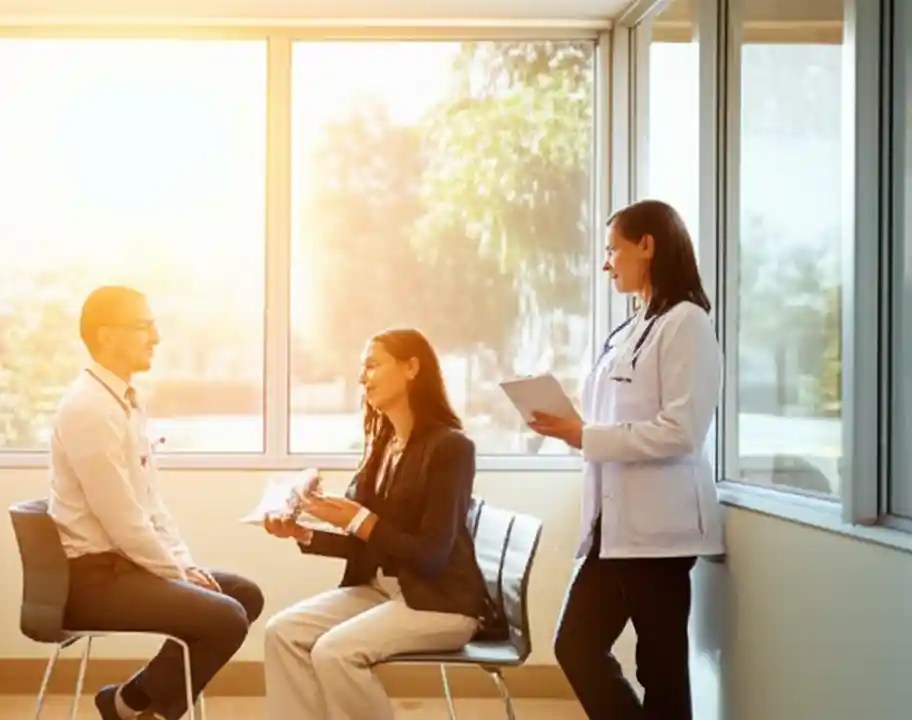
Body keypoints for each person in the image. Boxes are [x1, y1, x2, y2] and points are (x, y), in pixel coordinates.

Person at [528, 199, 724, 720]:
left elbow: (681, 431)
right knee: (575, 646)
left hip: (659, 532)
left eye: (613, 249)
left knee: (659, 669)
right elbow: (614, 414)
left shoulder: (687, 324)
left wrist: (584, 435)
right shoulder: (631, 329)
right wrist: (573, 427)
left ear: (647, 245)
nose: (606, 262)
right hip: (613, 528)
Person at [48, 286, 264, 720]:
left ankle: (126, 704)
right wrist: (179, 574)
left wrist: (185, 565)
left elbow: (150, 505)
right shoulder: (89, 410)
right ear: (107, 335)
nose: (157, 337)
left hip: (124, 567)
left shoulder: (125, 402)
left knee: (243, 595)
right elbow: (122, 520)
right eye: (144, 325)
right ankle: (145, 713)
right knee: (226, 618)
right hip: (92, 581)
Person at [261, 328, 500, 720]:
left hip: (441, 602)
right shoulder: (383, 445)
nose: (361, 377)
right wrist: (303, 531)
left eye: (372, 365)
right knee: (282, 632)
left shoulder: (451, 448)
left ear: (411, 368)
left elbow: (433, 556)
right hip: (384, 591)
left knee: (334, 651)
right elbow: (365, 543)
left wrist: (362, 520)